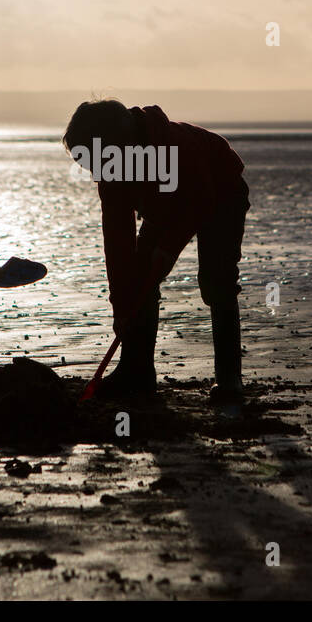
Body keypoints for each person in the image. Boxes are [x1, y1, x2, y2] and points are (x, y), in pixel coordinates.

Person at [63, 100, 250, 407]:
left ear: (114, 144)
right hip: (163, 208)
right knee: (138, 278)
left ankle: (230, 380)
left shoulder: (172, 147)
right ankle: (136, 372)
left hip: (221, 191)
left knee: (217, 281)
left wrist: (168, 249)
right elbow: (117, 241)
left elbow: (200, 200)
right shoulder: (112, 171)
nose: (94, 172)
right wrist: (120, 305)